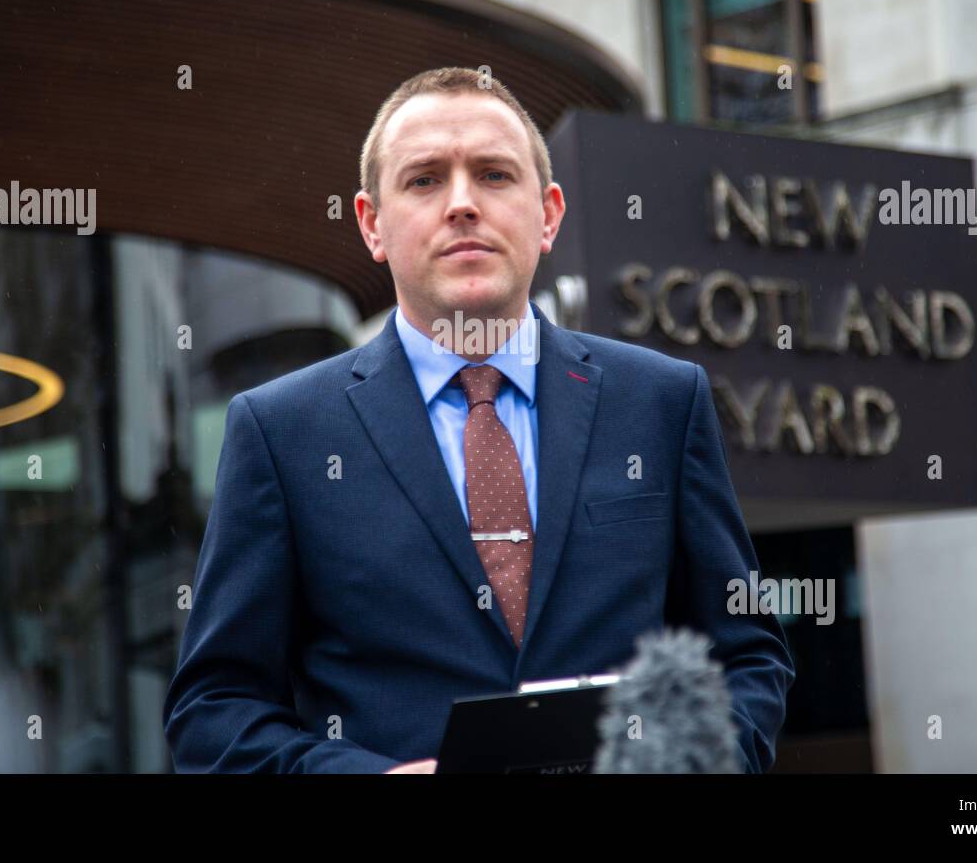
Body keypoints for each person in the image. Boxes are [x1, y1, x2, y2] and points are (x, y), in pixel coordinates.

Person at [163, 66, 794, 773]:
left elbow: (747, 655)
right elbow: (213, 712)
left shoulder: (661, 401)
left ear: (549, 214)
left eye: (494, 175)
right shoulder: (282, 434)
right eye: (425, 179)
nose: (462, 203)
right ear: (372, 224)